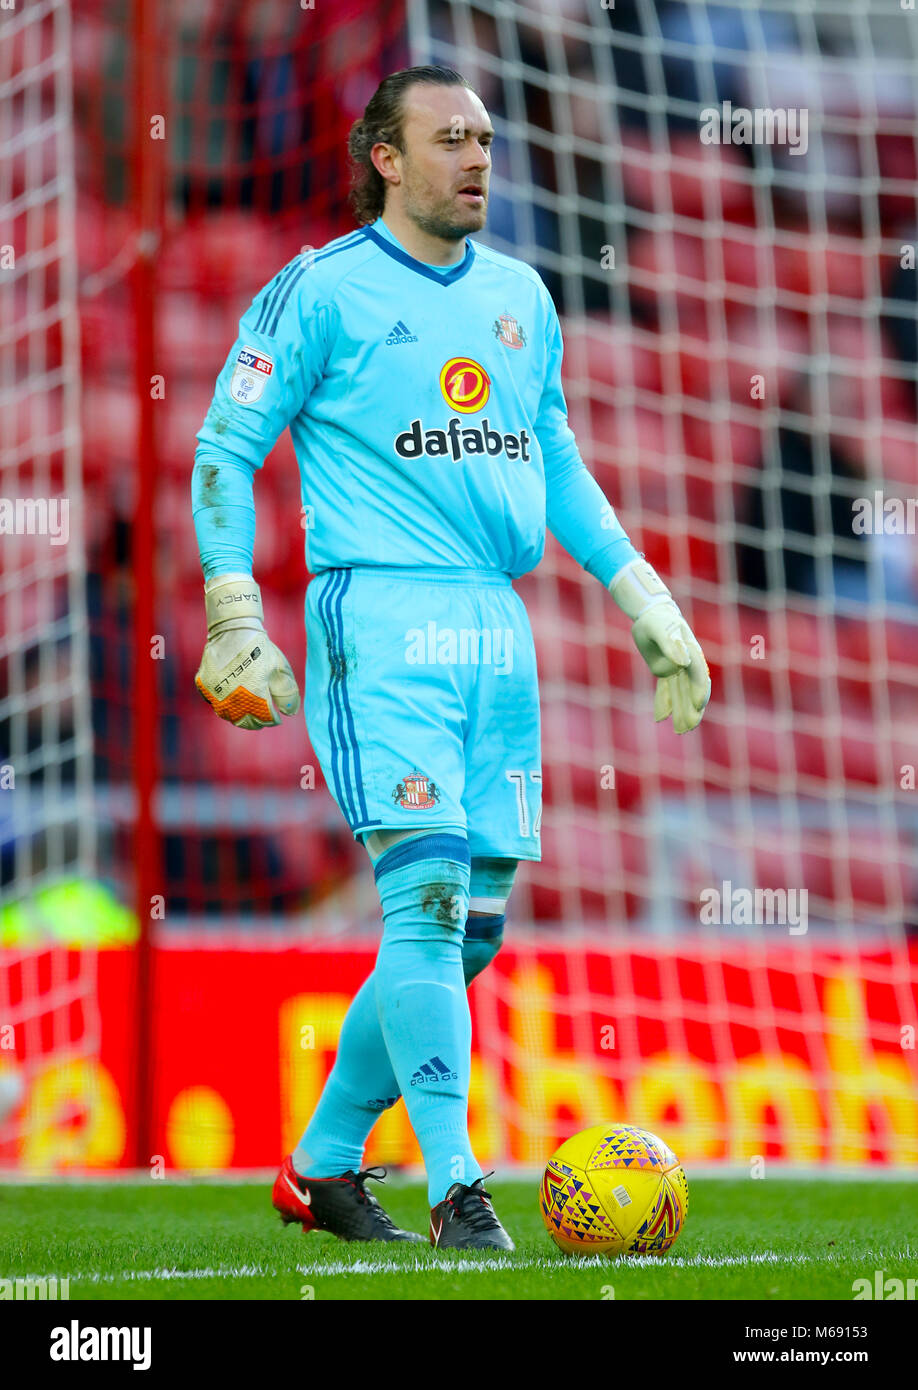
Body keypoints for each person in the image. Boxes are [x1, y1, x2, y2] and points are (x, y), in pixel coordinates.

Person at [191, 65, 711, 1250]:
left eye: (484, 138)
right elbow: (226, 450)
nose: (477, 158)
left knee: (472, 930)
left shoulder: (524, 293)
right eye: (449, 139)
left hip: (496, 627)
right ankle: (459, 1187)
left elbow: (556, 458)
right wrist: (233, 610)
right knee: (422, 898)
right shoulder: (315, 291)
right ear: (385, 155)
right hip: (376, 617)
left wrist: (643, 592)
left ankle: (323, 1166)